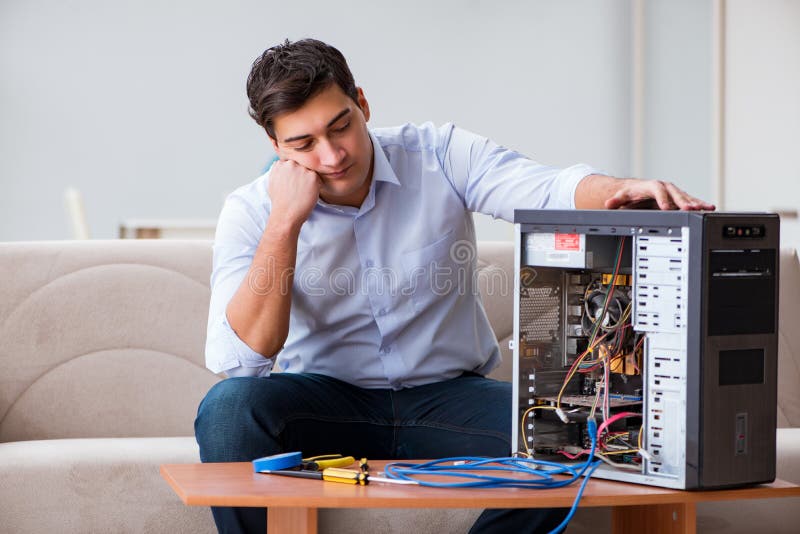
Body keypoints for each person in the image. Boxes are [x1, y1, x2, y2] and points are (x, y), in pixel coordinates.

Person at [194, 38, 714, 534]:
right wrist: (284, 223)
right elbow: (242, 362)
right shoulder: (251, 210)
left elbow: (547, 188)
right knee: (227, 410)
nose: (332, 157)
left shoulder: (438, 153)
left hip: (447, 399)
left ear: (363, 103)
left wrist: (619, 190)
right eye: (303, 144)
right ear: (275, 145)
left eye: (340, 127)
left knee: (575, 434)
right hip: (326, 402)